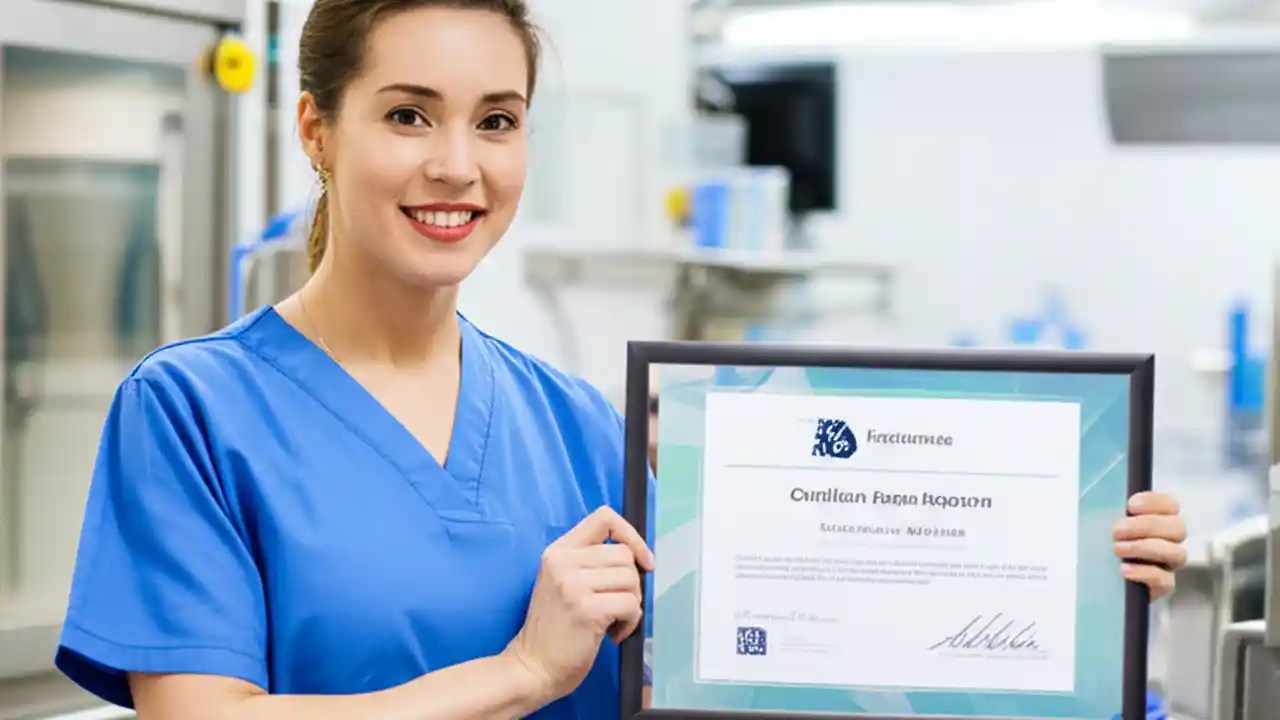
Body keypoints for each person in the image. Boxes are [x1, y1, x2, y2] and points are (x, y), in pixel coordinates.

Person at [52, 1, 1189, 718]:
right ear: (315, 130)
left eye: (496, 121)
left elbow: (783, 653)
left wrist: (1066, 568)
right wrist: (518, 673)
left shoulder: (580, 423)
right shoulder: (196, 410)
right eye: (408, 116)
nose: (458, 165)